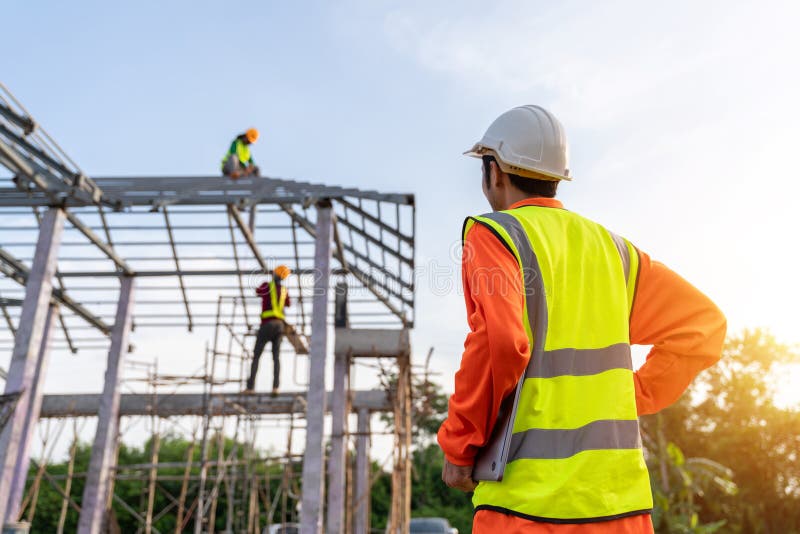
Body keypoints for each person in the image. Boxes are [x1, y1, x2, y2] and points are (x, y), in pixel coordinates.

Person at [438, 105, 726, 533]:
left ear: (494, 170)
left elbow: (501, 342)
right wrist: (631, 395)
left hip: (524, 508)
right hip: (620, 511)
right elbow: (703, 327)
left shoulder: (496, 235)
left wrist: (460, 447)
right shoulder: (614, 252)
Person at [245, 265, 291, 394]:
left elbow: (257, 291)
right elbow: (288, 303)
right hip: (280, 325)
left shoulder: (266, 285)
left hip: (267, 324)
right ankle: (275, 387)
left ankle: (250, 387)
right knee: (276, 357)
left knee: (257, 355)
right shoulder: (283, 290)